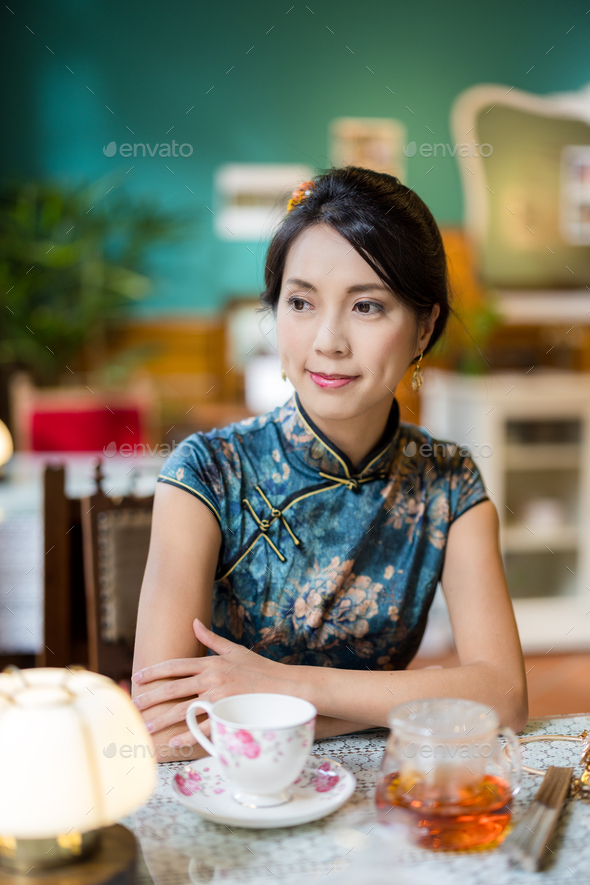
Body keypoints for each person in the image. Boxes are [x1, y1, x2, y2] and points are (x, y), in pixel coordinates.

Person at [131, 166, 528, 762]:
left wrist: (283, 687)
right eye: (301, 302)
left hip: (384, 805)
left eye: (367, 306)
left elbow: (504, 698)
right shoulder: (206, 472)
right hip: (235, 802)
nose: (328, 341)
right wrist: (390, 705)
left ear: (424, 328)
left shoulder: (448, 480)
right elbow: (167, 727)